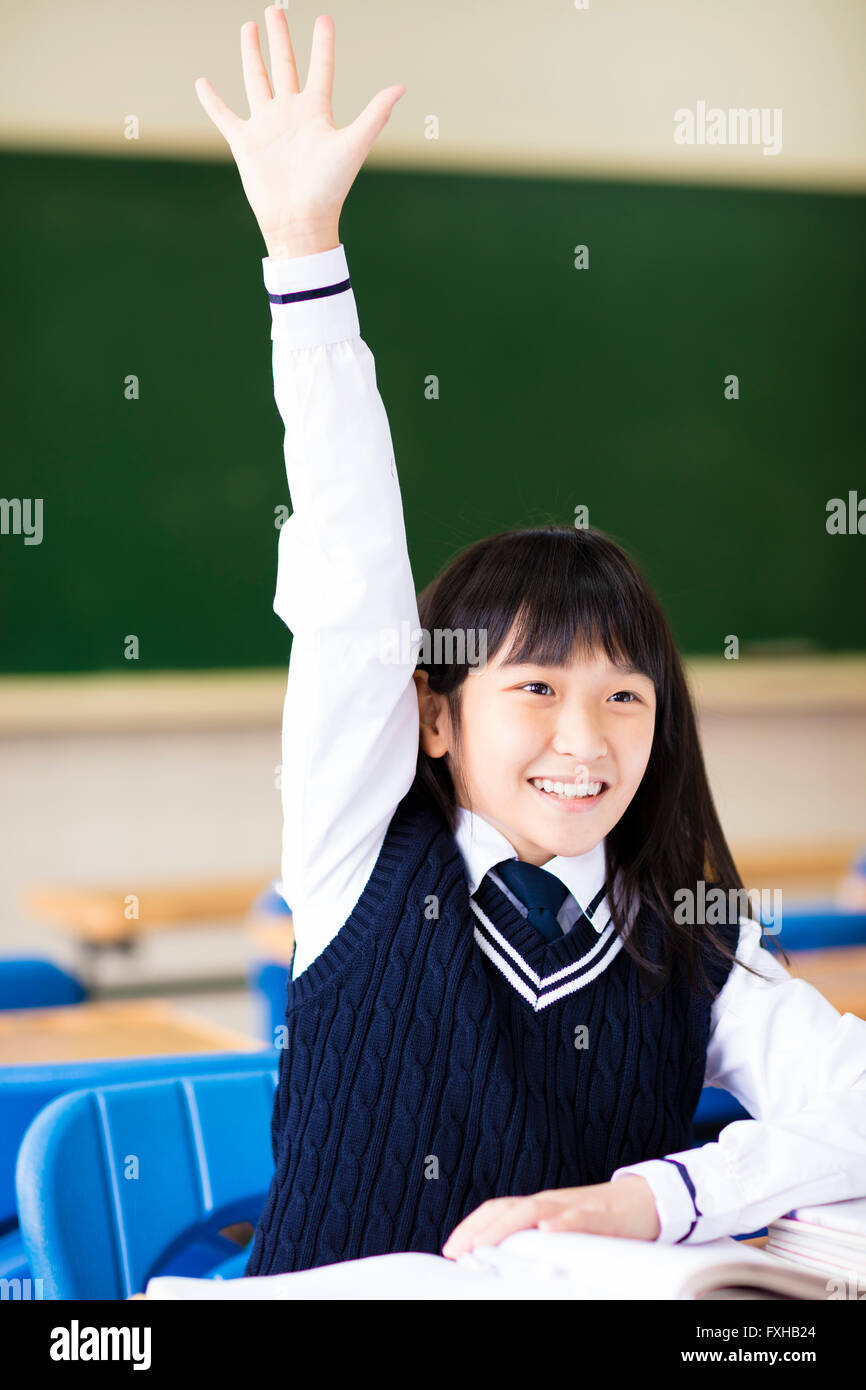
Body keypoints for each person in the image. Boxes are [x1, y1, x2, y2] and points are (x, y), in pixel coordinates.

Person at [192, 9, 866, 1279]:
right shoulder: (355, 859)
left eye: (626, 695)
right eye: (536, 686)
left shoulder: (685, 935)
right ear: (435, 715)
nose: (585, 737)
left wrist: (649, 1200)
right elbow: (349, 590)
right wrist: (303, 260)